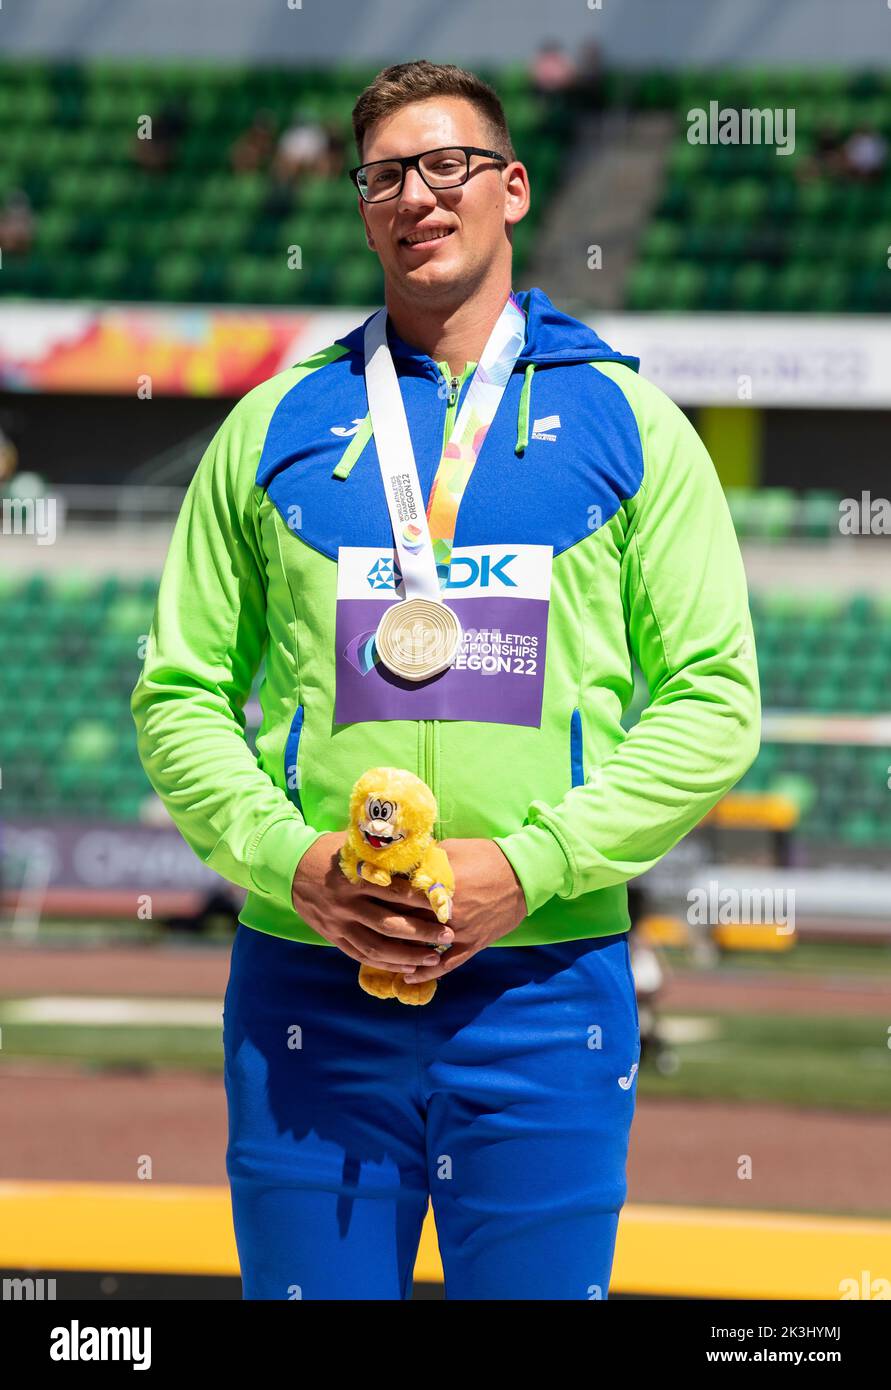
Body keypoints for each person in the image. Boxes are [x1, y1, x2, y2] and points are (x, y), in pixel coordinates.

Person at [131, 59, 760, 1300]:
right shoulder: (274, 428)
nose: (416, 195)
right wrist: (290, 863)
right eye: (384, 176)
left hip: (546, 985)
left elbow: (712, 699)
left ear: (513, 188)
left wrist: (527, 868)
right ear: (361, 208)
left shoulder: (630, 425)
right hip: (310, 980)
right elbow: (182, 692)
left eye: (448, 165)